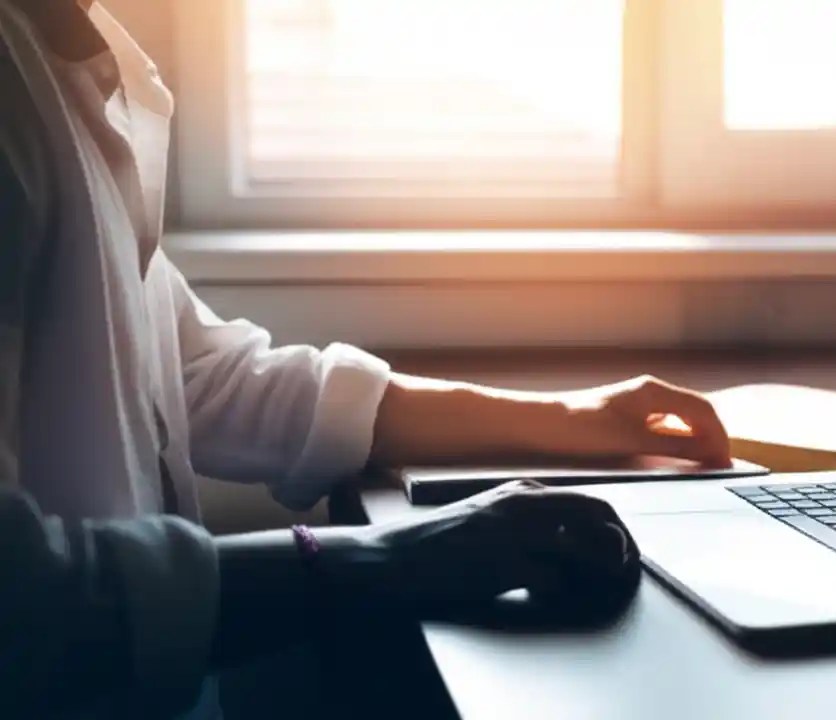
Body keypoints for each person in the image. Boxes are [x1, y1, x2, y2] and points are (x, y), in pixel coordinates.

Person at [0, 0, 732, 717]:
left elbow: (198, 373)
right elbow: (22, 602)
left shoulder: (60, 52)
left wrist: (569, 417)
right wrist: (388, 559)